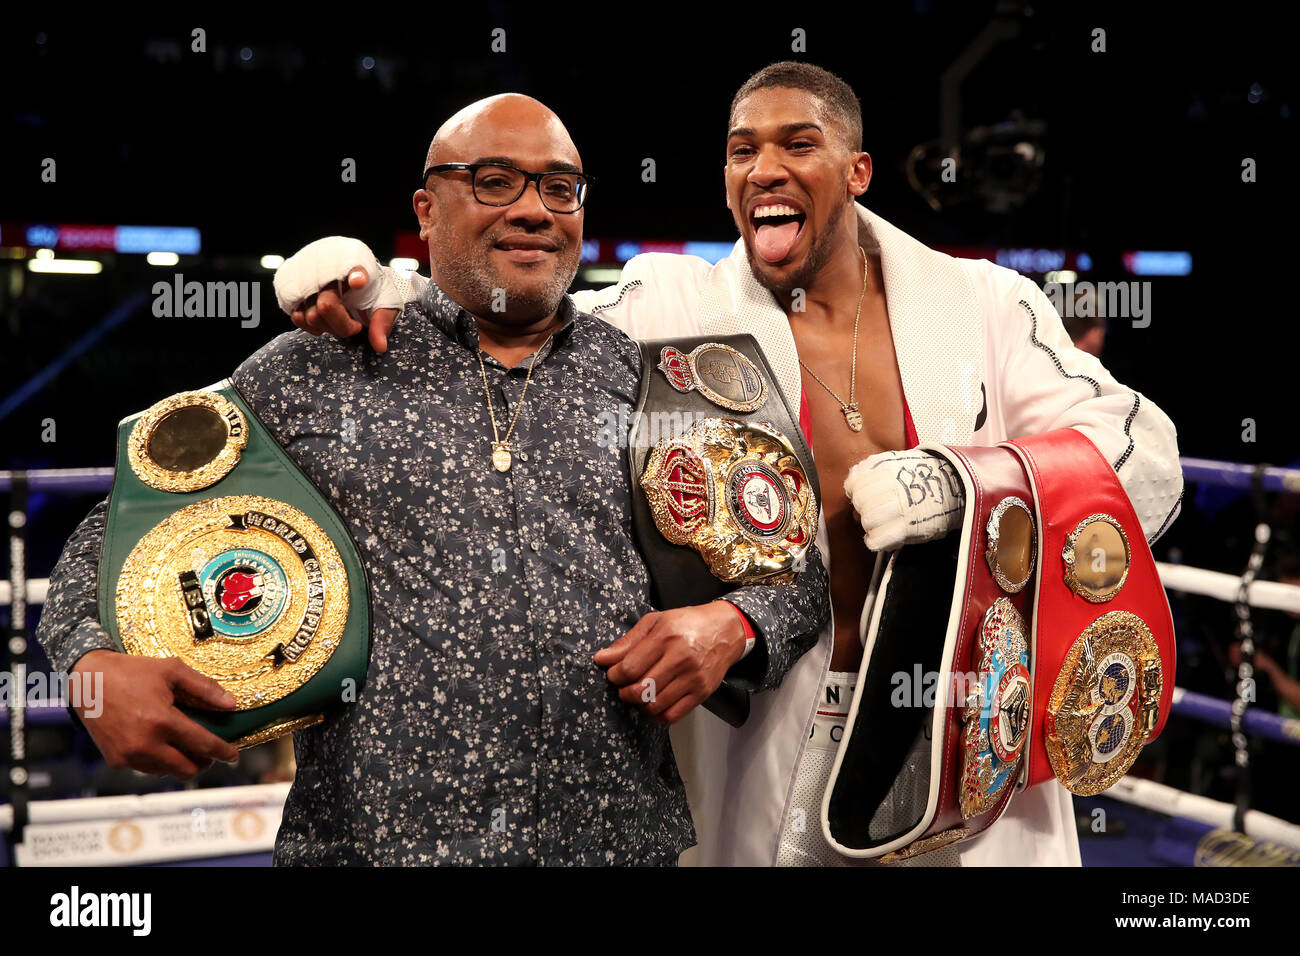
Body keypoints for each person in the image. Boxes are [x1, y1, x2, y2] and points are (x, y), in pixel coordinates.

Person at [276, 62, 1184, 866]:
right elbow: (519, 308)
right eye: (742, 150)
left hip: (960, 718)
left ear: (857, 172)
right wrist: (374, 283)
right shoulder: (671, 304)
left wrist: (962, 486)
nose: (765, 169)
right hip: (767, 733)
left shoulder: (982, 304)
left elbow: (1144, 454)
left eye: (799, 143)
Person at [34, 93, 829, 866]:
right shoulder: (320, 365)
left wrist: (733, 624)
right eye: (494, 181)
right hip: (366, 850)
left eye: (560, 188)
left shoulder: (644, 378)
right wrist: (92, 668)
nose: (533, 210)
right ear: (425, 209)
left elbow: (793, 567)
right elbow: (115, 531)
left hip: (614, 846)